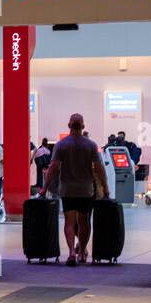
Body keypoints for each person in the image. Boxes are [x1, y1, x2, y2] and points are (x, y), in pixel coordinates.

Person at [43, 113, 109, 267]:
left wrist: (44, 187)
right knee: (84, 221)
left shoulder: (61, 145)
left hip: (67, 190)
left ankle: (72, 251)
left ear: (69, 126)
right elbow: (99, 169)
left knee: (69, 223)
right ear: (83, 127)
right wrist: (105, 188)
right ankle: (82, 253)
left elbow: (53, 168)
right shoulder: (91, 145)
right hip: (86, 190)